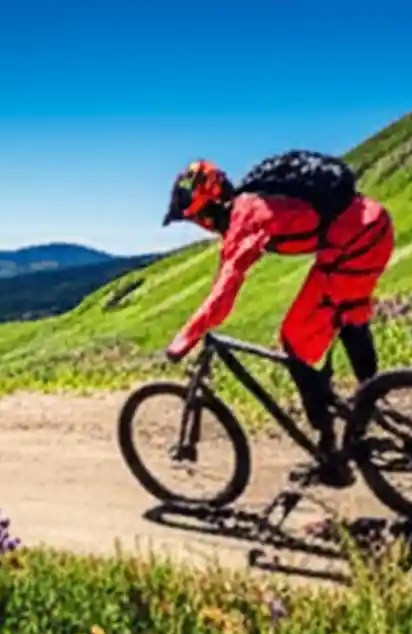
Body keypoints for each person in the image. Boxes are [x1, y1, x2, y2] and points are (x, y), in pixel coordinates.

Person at [160, 158, 395, 487]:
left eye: (198, 217)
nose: (202, 225)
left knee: (294, 338)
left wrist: (183, 340)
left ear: (209, 207)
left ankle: (334, 452)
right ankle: (371, 405)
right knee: (346, 313)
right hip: (372, 224)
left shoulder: (245, 214)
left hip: (352, 239)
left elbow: (224, 292)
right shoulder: (255, 203)